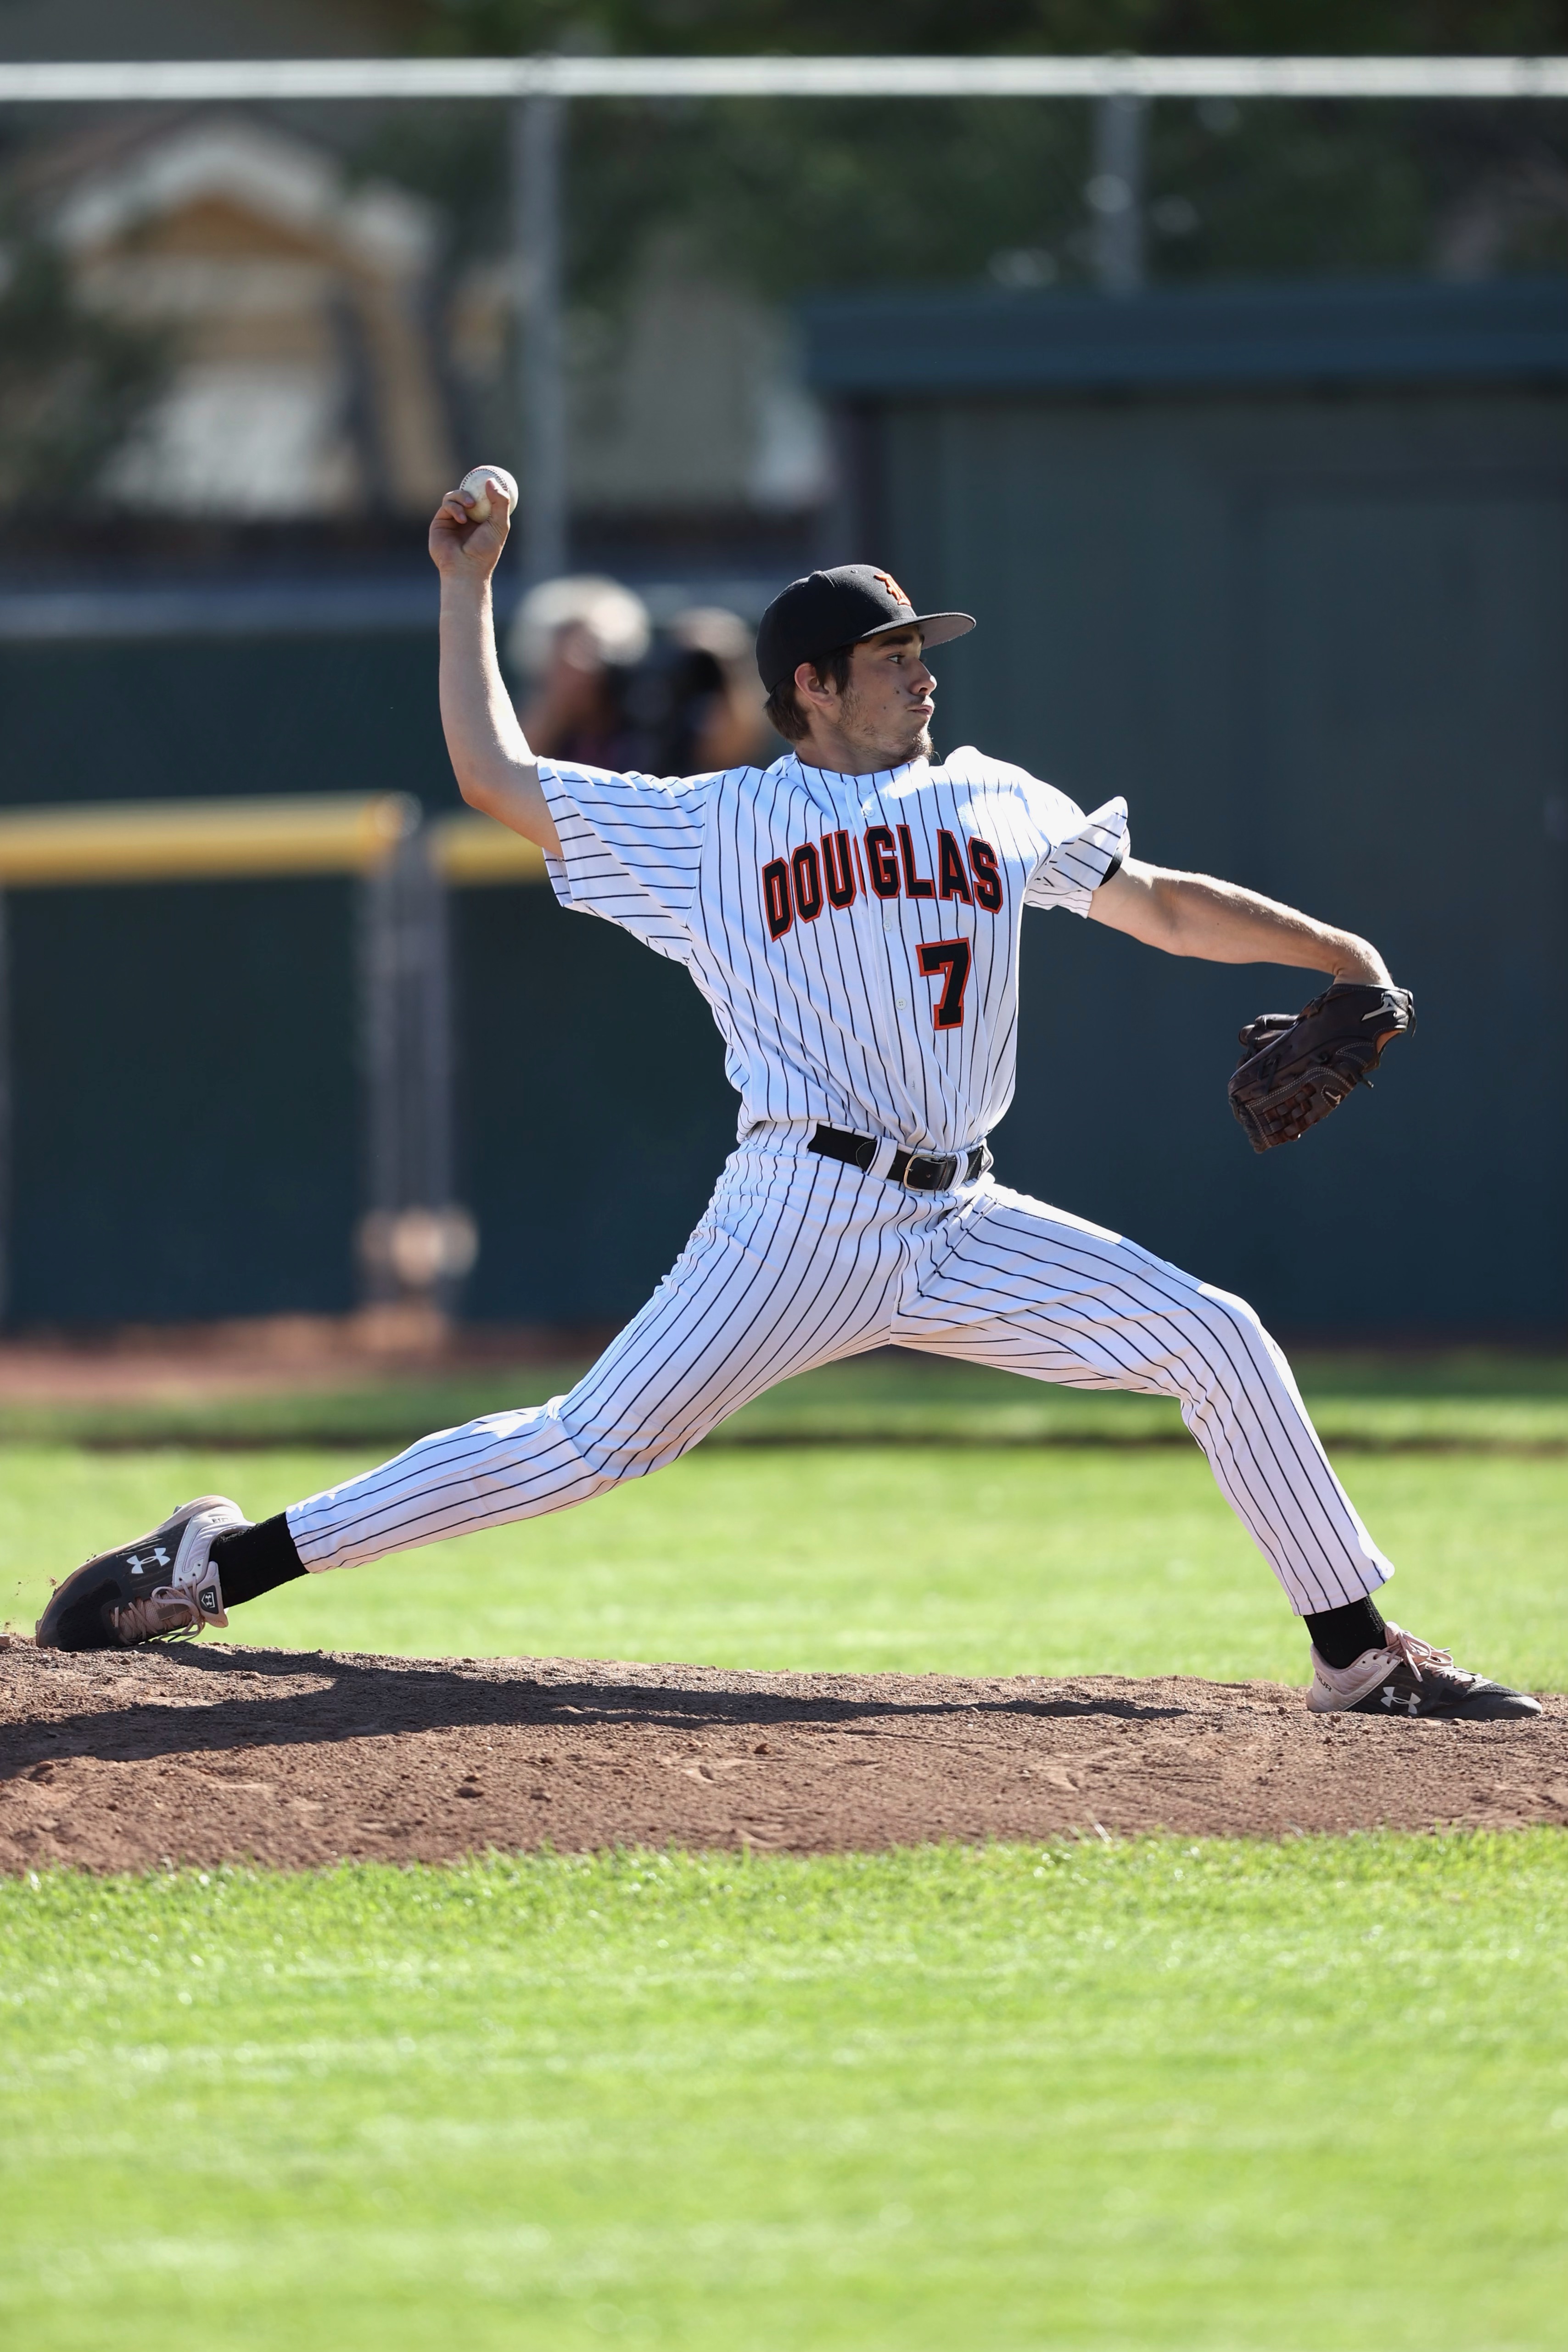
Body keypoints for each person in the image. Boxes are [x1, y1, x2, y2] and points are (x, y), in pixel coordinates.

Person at [36, 491, 1540, 1724]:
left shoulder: (995, 798)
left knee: (1215, 1334)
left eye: (921, 648)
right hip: (799, 1214)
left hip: (962, 1212)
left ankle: (1357, 1654)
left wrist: (1341, 954)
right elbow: (494, 774)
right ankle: (222, 1568)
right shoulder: (718, 825)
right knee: (585, 1447)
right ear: (811, 688)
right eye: (888, 655)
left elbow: (1159, 906)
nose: (923, 670)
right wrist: (466, 591)